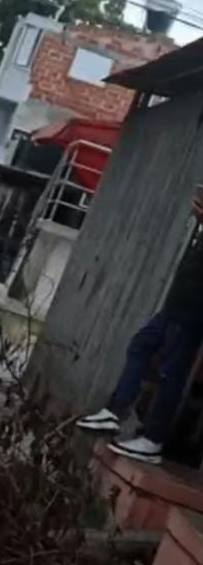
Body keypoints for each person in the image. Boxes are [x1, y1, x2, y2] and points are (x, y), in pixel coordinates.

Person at [76, 192, 203, 465]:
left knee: (171, 372)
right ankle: (115, 410)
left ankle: (153, 439)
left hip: (191, 313)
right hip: (175, 306)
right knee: (140, 345)